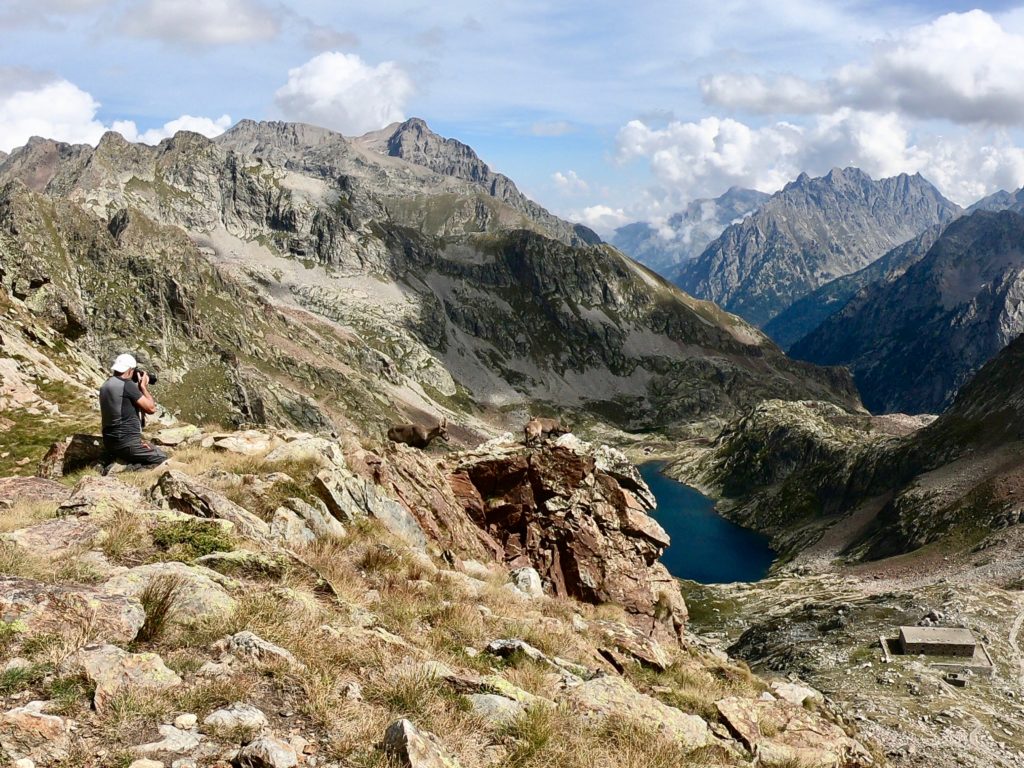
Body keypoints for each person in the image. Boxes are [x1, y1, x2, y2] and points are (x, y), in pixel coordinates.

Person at [98, 353, 167, 472]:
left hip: (110, 442)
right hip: (126, 442)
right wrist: (143, 387)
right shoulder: (127, 385)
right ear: (130, 370)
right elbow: (151, 409)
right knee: (162, 458)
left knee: (148, 450)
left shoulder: (106, 385)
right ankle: (128, 470)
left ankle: (120, 462)